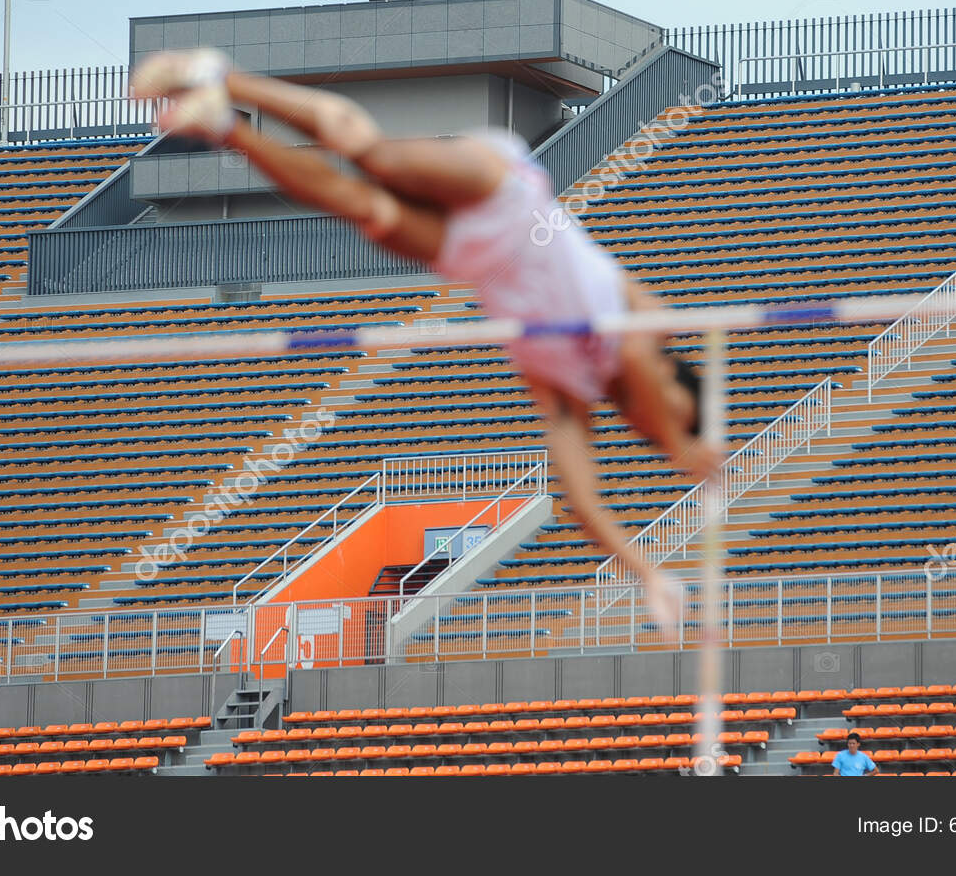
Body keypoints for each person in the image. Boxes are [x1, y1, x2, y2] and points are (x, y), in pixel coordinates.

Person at [129, 49, 724, 636]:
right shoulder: (649, 323)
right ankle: (225, 75)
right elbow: (647, 367)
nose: (648, 429)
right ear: (676, 390)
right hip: (506, 194)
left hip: (470, 255)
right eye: (664, 424)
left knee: (357, 205)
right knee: (377, 160)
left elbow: (583, 504)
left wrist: (646, 572)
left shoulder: (567, 393)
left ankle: (222, 125)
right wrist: (684, 443)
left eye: (650, 436)